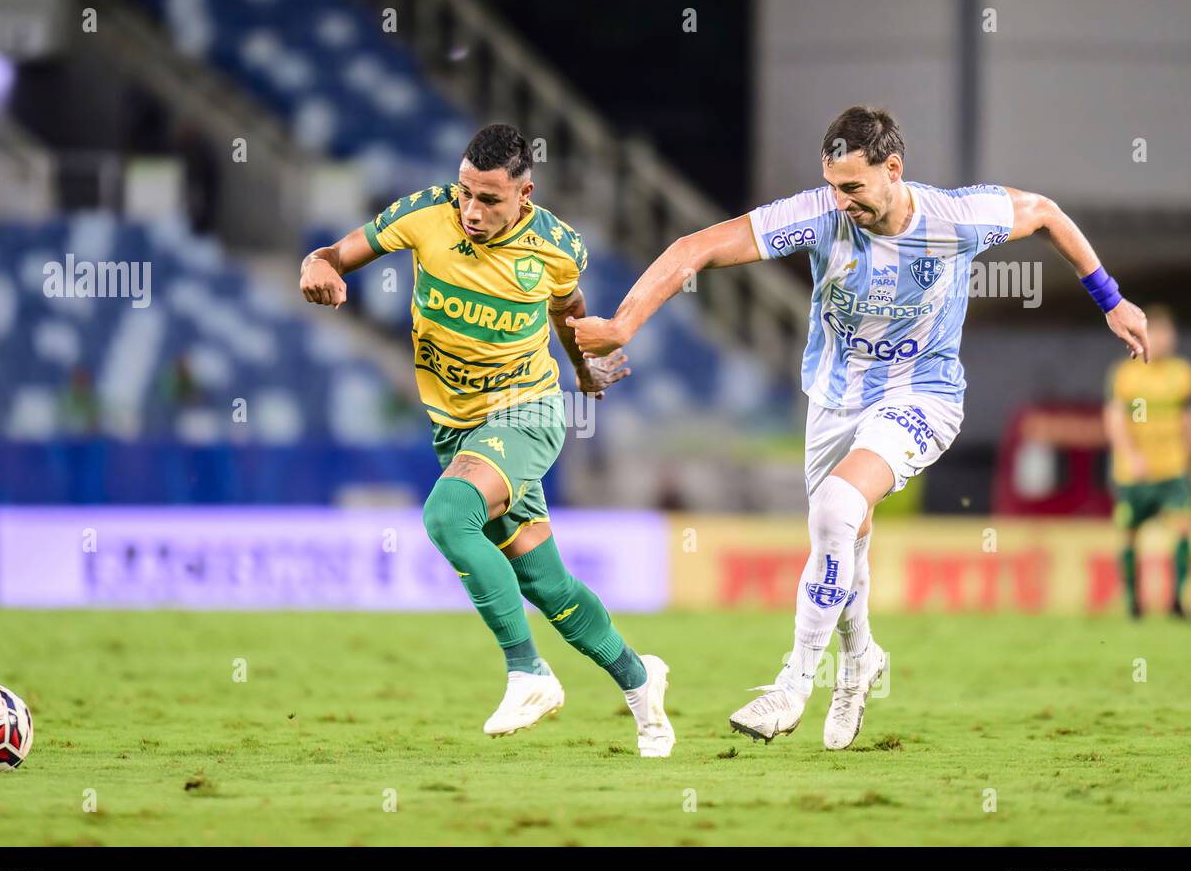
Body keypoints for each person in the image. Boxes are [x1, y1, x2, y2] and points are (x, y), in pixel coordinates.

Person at [569, 106, 1149, 749]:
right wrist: (623, 325)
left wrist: (1111, 299)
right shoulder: (820, 213)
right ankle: (861, 663)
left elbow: (1043, 212)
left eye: (853, 187)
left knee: (839, 507)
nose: (840, 200)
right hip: (834, 400)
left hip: (923, 396)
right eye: (832, 185)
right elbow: (695, 248)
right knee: (843, 538)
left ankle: (793, 685)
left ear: (892, 170)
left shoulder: (955, 218)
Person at [298, 124, 674, 757]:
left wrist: (583, 369)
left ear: (525, 194)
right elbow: (335, 254)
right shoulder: (424, 214)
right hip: (456, 429)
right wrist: (314, 266)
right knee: (547, 585)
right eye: (466, 193)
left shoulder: (557, 247)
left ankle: (528, 672)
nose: (472, 211)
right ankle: (643, 685)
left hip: (527, 413)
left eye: (490, 200)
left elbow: (567, 306)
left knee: (447, 515)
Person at [1103, 305, 1191, 619]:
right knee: (1129, 532)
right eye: (1158, 331)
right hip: (1134, 473)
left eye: (1169, 333)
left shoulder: (1181, 374)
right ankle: (1132, 602)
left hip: (1172, 468)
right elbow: (1114, 420)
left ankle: (1176, 601)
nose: (1165, 338)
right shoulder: (1126, 374)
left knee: (1184, 530)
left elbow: (1185, 419)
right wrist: (1131, 456)